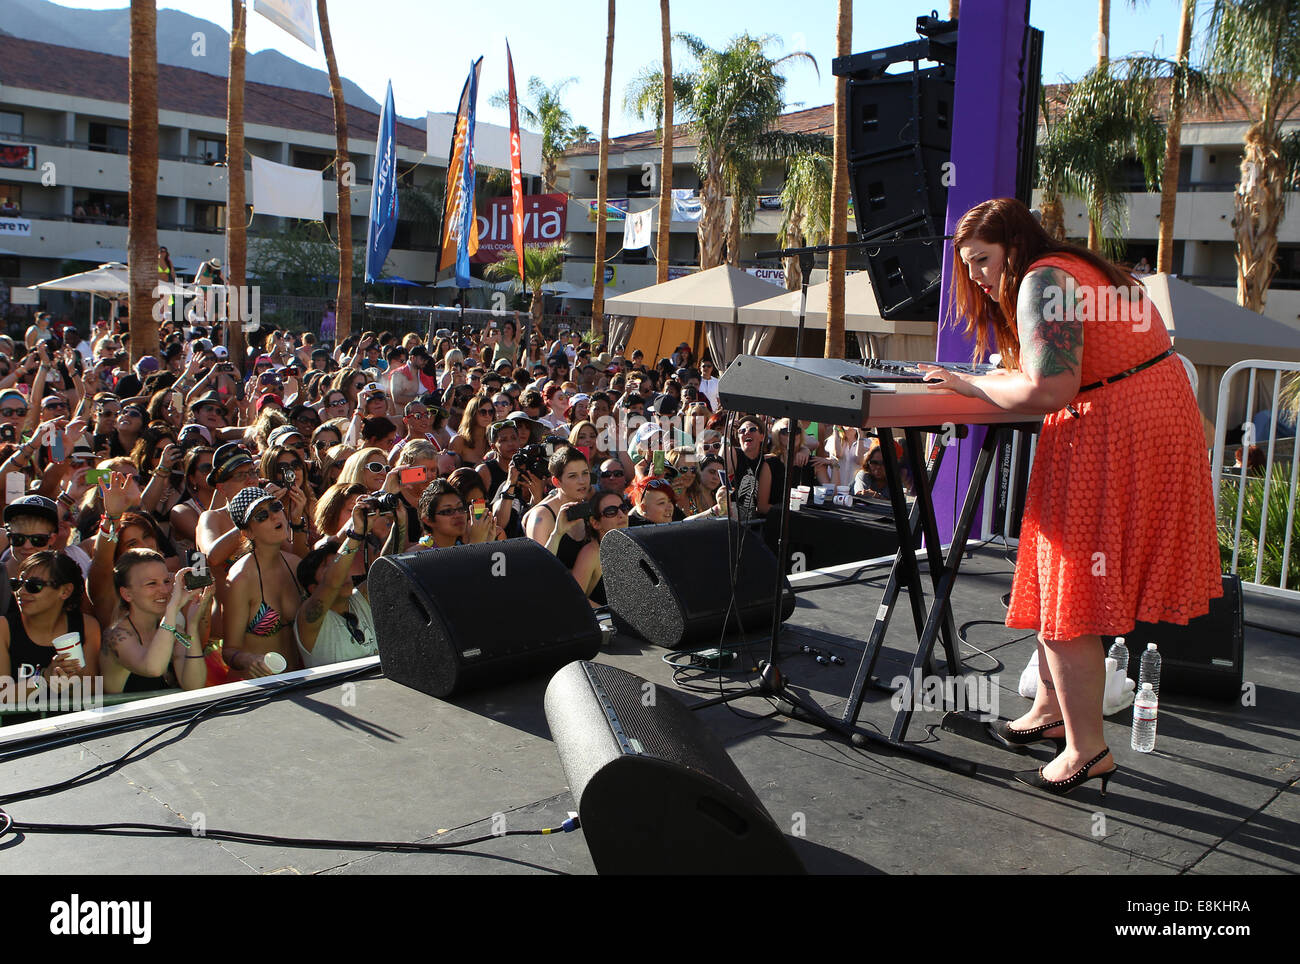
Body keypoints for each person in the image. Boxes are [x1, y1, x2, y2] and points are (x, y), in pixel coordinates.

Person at [921, 197, 1221, 797]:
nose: (976, 276)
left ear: (1013, 246)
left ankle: (1088, 750)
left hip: (1115, 430)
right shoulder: (1081, 267)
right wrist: (990, 380)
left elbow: (1049, 389)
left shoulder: (1041, 280)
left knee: (1071, 591)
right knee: (1061, 580)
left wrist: (970, 387)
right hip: (1149, 418)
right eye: (969, 264)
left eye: (982, 260)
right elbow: (1066, 371)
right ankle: (1052, 711)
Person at [222, 486, 304, 679]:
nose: (275, 516)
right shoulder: (241, 578)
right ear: (247, 533)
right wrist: (249, 660)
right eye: (261, 516)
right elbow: (228, 651)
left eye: (276, 507)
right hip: (258, 692)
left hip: (298, 682)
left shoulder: (294, 565)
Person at [101, 550, 211, 694]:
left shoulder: (176, 633)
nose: (165, 590)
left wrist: (192, 625)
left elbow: (194, 685)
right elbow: (153, 668)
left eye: (166, 581)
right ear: (127, 594)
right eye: (152, 584)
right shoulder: (117, 637)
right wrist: (173, 608)